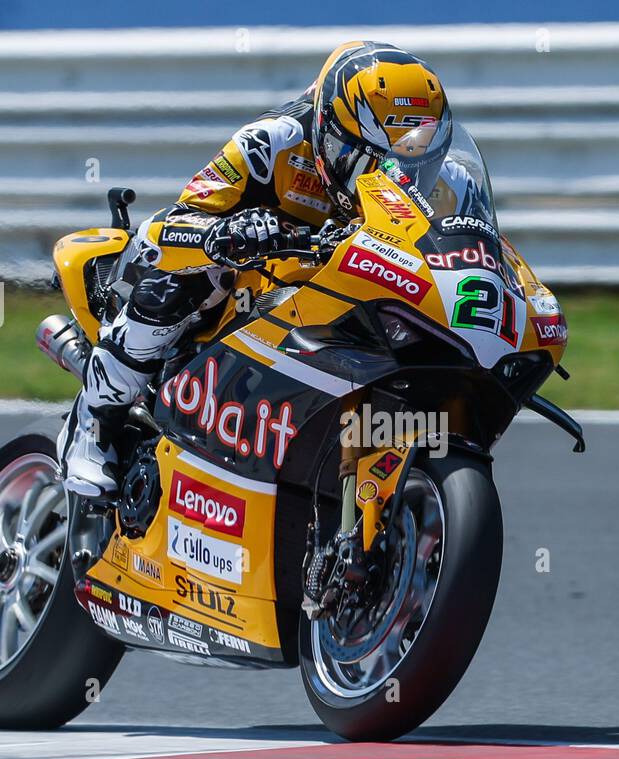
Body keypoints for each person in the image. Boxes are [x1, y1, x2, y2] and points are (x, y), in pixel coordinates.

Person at [61, 40, 454, 498]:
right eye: (371, 162)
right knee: (197, 273)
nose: (392, 178)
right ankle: (93, 422)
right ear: (331, 134)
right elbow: (165, 229)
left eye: (414, 165)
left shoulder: (445, 182)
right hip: (246, 280)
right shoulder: (272, 141)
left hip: (334, 291)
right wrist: (224, 236)